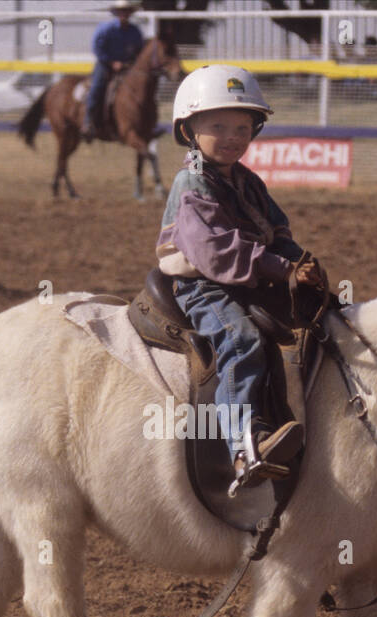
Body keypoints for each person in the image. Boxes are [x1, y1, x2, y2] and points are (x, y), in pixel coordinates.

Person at [156, 65, 327, 490]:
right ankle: (245, 446)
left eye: (243, 126)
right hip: (203, 284)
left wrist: (300, 261)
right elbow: (215, 252)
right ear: (189, 130)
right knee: (241, 339)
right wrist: (280, 268)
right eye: (218, 126)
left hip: (245, 277)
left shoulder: (248, 181)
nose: (233, 136)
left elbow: (276, 230)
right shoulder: (191, 184)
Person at [81, 0, 143, 142]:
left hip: (127, 68)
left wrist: (131, 63)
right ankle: (88, 122)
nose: (124, 14)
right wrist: (111, 62)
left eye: (126, 11)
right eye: (121, 11)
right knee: (96, 88)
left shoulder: (135, 31)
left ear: (130, 13)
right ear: (116, 13)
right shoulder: (106, 28)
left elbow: (139, 51)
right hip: (105, 65)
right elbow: (97, 48)